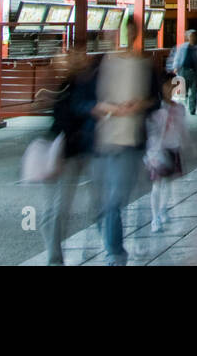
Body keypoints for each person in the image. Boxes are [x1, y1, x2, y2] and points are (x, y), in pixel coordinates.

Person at [94, 18, 162, 265]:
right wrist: (105, 107)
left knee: (116, 197)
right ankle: (113, 246)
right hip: (101, 137)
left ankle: (114, 247)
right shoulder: (100, 63)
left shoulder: (144, 64)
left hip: (132, 138)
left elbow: (155, 99)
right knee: (107, 201)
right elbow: (87, 99)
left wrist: (140, 104)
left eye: (131, 30)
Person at [43, 45, 98, 264]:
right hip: (67, 150)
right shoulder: (68, 84)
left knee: (62, 205)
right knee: (59, 206)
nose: (76, 60)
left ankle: (61, 253)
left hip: (77, 148)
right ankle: (55, 255)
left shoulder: (81, 83)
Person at [146, 72, 191, 233]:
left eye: (173, 85)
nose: (171, 88)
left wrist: (187, 145)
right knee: (157, 185)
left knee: (168, 183)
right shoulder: (155, 108)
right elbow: (150, 131)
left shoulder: (179, 108)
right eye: (167, 85)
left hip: (173, 147)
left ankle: (163, 209)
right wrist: (150, 152)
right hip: (157, 150)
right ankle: (154, 217)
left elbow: (183, 129)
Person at [178, 30, 197, 115]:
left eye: (194, 36)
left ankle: (192, 109)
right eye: (191, 36)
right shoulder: (183, 47)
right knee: (183, 92)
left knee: (194, 92)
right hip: (184, 70)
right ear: (188, 37)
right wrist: (176, 67)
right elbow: (178, 58)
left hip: (195, 72)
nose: (192, 38)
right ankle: (182, 107)